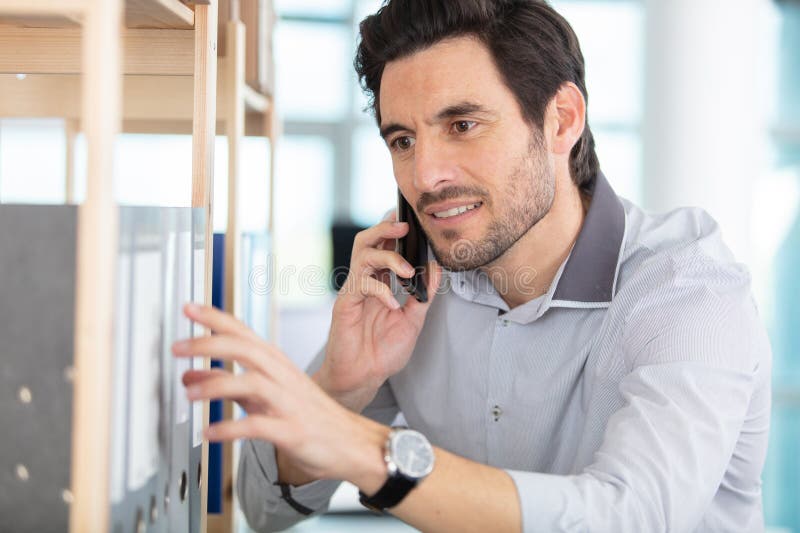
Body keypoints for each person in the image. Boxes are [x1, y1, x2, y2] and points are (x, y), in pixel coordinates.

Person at [172, 1, 772, 531]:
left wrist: (361, 446)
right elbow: (265, 509)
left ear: (562, 119)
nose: (425, 176)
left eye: (462, 125)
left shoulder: (688, 289)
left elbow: (631, 518)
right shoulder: (410, 279)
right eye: (403, 140)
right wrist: (342, 386)